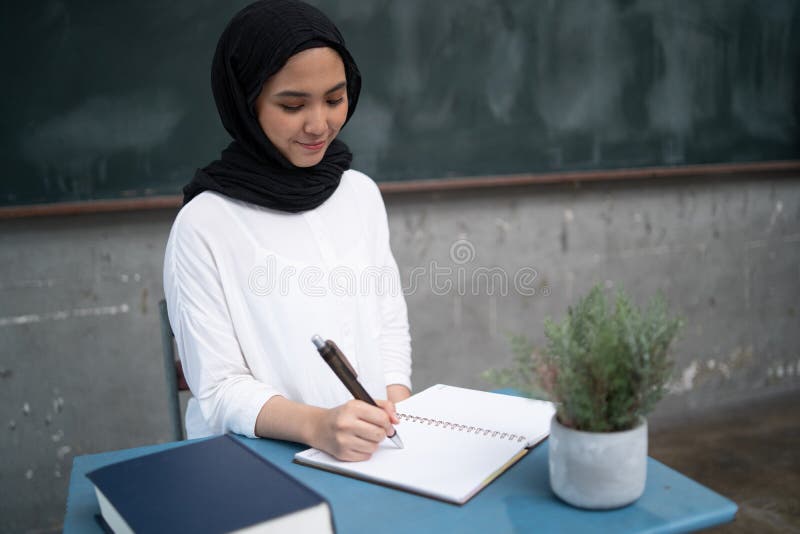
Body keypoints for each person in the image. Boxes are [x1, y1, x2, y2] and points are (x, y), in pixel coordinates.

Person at [163, 0, 412, 462]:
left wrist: (395, 404)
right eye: (293, 105)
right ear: (246, 101)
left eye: (335, 99)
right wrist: (317, 426)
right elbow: (217, 388)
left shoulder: (358, 194)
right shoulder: (204, 226)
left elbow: (388, 322)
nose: (319, 125)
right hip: (256, 465)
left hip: (371, 456)